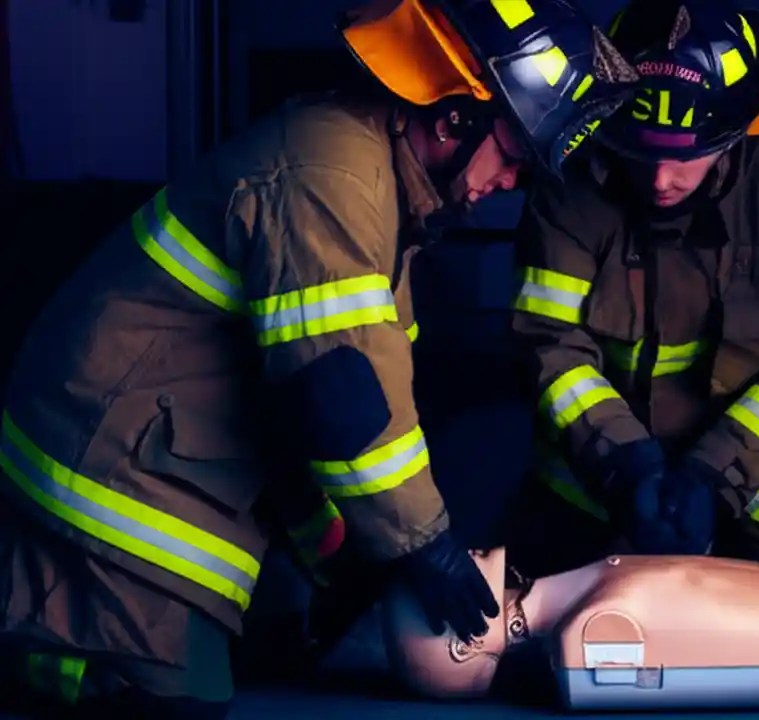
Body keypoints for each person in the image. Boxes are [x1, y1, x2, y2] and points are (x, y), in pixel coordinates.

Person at [0, 0, 636, 715]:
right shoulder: (332, 179)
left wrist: (340, 553)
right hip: (112, 476)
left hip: (174, 461)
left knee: (268, 649)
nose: (512, 184)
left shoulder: (382, 192)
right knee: (174, 702)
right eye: (516, 154)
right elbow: (343, 397)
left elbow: (315, 407)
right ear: (454, 117)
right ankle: (33, 654)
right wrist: (425, 547)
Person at [507, 0, 759, 653]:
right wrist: (625, 465)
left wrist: (715, 474)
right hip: (599, 475)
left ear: (738, 131)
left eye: (688, 156)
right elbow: (550, 345)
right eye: (641, 151)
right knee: (524, 613)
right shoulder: (568, 186)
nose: (660, 179)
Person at [381, 546, 759, 709]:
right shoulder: (590, 629)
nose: (469, 554)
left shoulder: (581, 597)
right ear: (465, 644)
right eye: (443, 598)